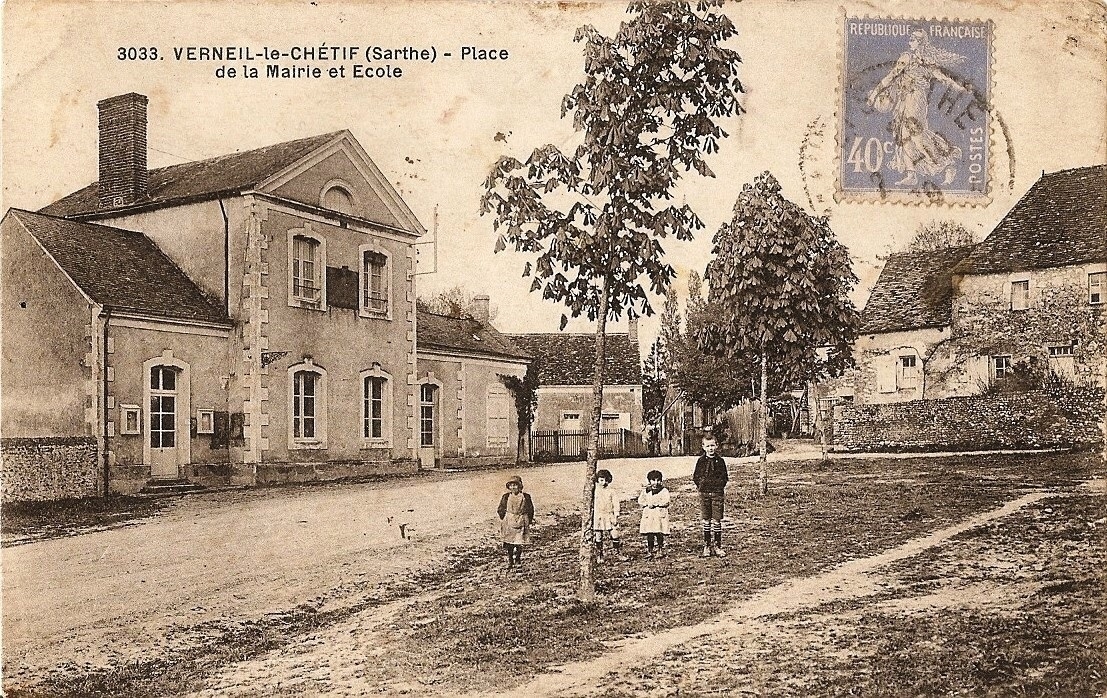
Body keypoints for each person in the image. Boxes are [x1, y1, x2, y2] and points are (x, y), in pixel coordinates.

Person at [866, 29, 965, 187]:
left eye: (914, 39)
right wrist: (873, 95)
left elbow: (942, 77)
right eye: (910, 38)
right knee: (904, 137)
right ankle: (911, 174)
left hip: (916, 99)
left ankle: (947, 165)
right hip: (904, 101)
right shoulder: (906, 58)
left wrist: (958, 87)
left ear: (921, 43)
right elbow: (891, 77)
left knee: (917, 137)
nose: (910, 41)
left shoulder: (927, 62)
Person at [693, 434, 728, 558]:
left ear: (716, 446)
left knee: (717, 520)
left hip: (717, 494)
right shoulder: (701, 461)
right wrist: (702, 486)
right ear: (703, 447)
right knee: (706, 520)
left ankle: (717, 546)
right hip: (704, 494)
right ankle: (707, 545)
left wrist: (718, 487)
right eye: (708, 446)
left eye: (712, 445)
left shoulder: (720, 461)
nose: (710, 448)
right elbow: (696, 477)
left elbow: (724, 477)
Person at [497, 475, 534, 571]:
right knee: (509, 542)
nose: (513, 487)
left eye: (515, 485)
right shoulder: (506, 497)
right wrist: (505, 518)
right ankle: (510, 560)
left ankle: (517, 559)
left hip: (521, 520)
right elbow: (500, 508)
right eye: (511, 485)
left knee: (519, 542)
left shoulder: (526, 496)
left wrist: (528, 520)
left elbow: (530, 509)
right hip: (509, 521)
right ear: (509, 487)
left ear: (520, 486)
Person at [593, 469, 628, 562]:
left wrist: (616, 515)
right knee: (598, 536)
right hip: (598, 515)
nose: (603, 482)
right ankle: (599, 555)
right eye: (601, 480)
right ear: (597, 480)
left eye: (606, 480)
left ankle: (617, 553)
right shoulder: (595, 491)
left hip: (609, 515)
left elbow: (616, 503)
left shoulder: (611, 491)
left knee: (615, 534)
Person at [638, 469, 670, 559]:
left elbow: (666, 501)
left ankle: (660, 549)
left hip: (658, 515)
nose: (656, 482)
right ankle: (650, 550)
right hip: (649, 515)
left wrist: (656, 504)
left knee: (659, 532)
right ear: (649, 481)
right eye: (653, 480)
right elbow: (640, 500)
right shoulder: (646, 491)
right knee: (650, 533)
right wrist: (646, 504)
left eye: (658, 480)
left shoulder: (664, 491)